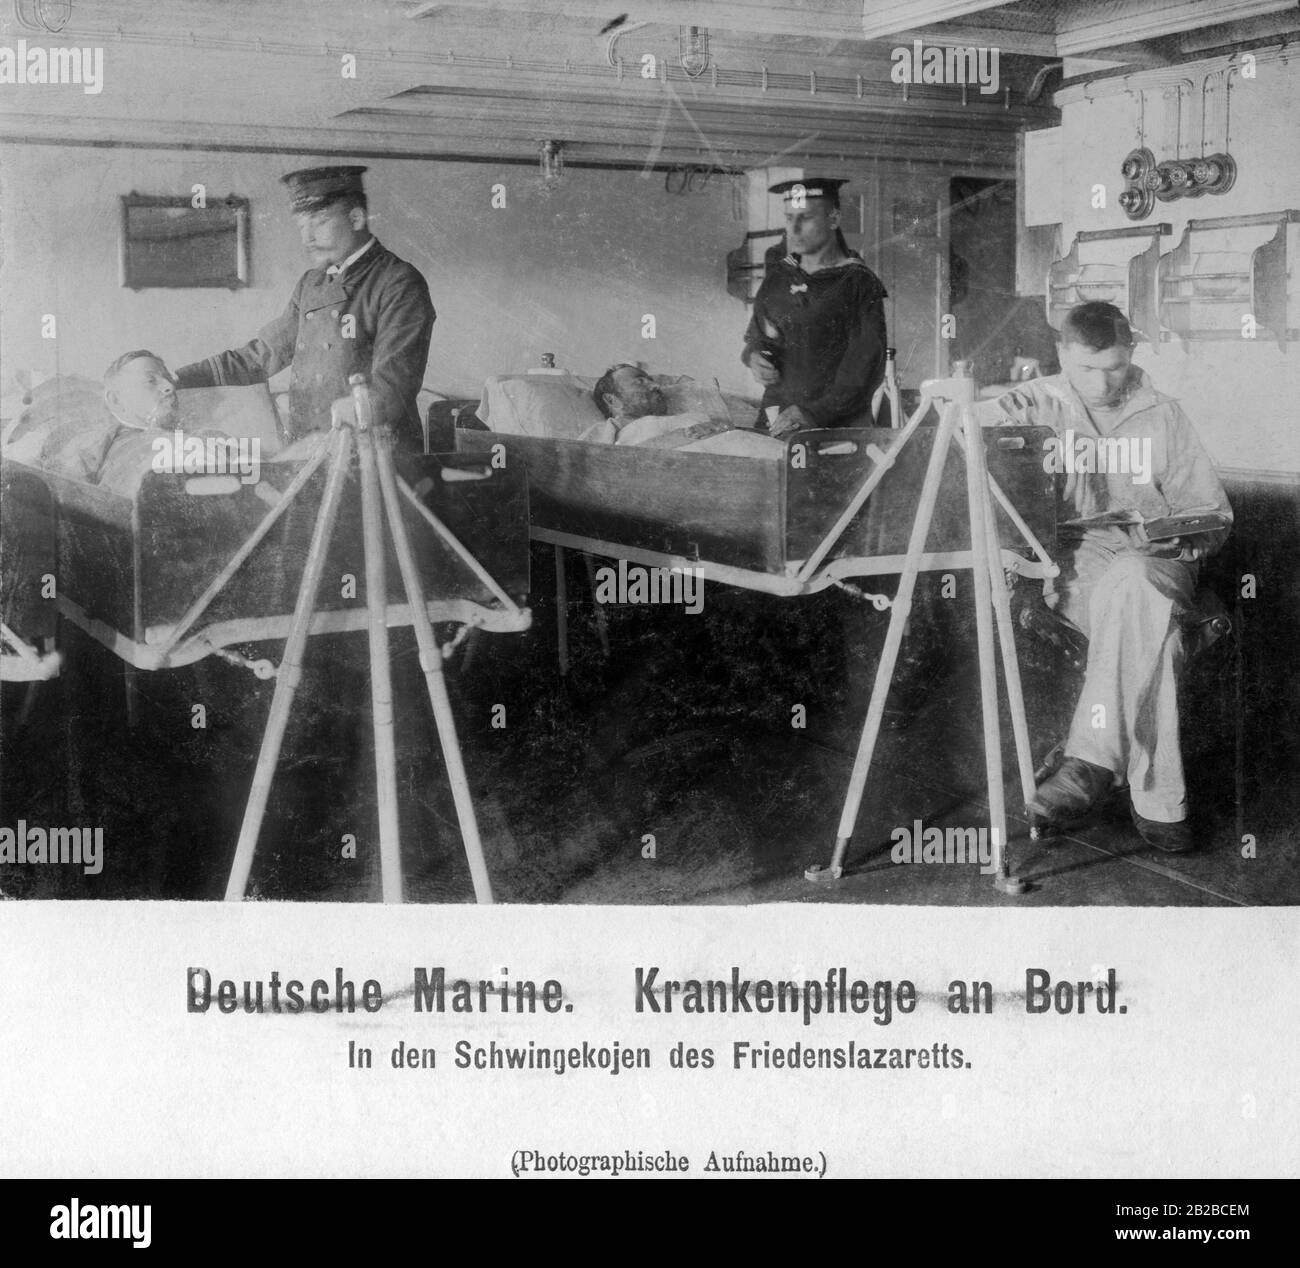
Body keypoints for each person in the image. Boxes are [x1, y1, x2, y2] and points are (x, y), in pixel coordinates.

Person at [991, 301, 1232, 852]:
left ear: (1133, 354)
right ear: (1061, 355)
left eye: (1114, 368)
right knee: (1162, 638)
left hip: (1159, 561)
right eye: (1085, 370)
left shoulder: (1164, 413)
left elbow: (1214, 514)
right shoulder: (1032, 406)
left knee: (1135, 579)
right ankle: (1161, 805)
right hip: (1074, 565)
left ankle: (1090, 762)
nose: (1101, 383)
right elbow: (994, 498)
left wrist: (1184, 535)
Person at [173, 166, 435, 449]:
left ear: (356, 218)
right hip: (310, 445)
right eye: (301, 226)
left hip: (373, 449)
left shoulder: (398, 281)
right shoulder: (311, 283)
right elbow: (261, 355)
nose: (306, 238)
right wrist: (179, 378)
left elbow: (393, 384)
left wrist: (358, 409)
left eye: (319, 222)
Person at [741, 177, 888, 438]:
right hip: (777, 418)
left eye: (805, 218)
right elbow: (761, 337)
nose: (793, 229)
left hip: (836, 427)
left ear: (833, 219)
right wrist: (756, 357)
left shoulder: (858, 282)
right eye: (789, 218)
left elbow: (864, 368)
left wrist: (815, 412)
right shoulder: (779, 278)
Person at [583, 364, 781, 457]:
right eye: (640, 381)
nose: (654, 386)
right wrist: (686, 435)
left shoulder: (689, 418)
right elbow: (603, 462)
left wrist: (718, 426)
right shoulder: (608, 430)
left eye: (651, 380)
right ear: (611, 399)